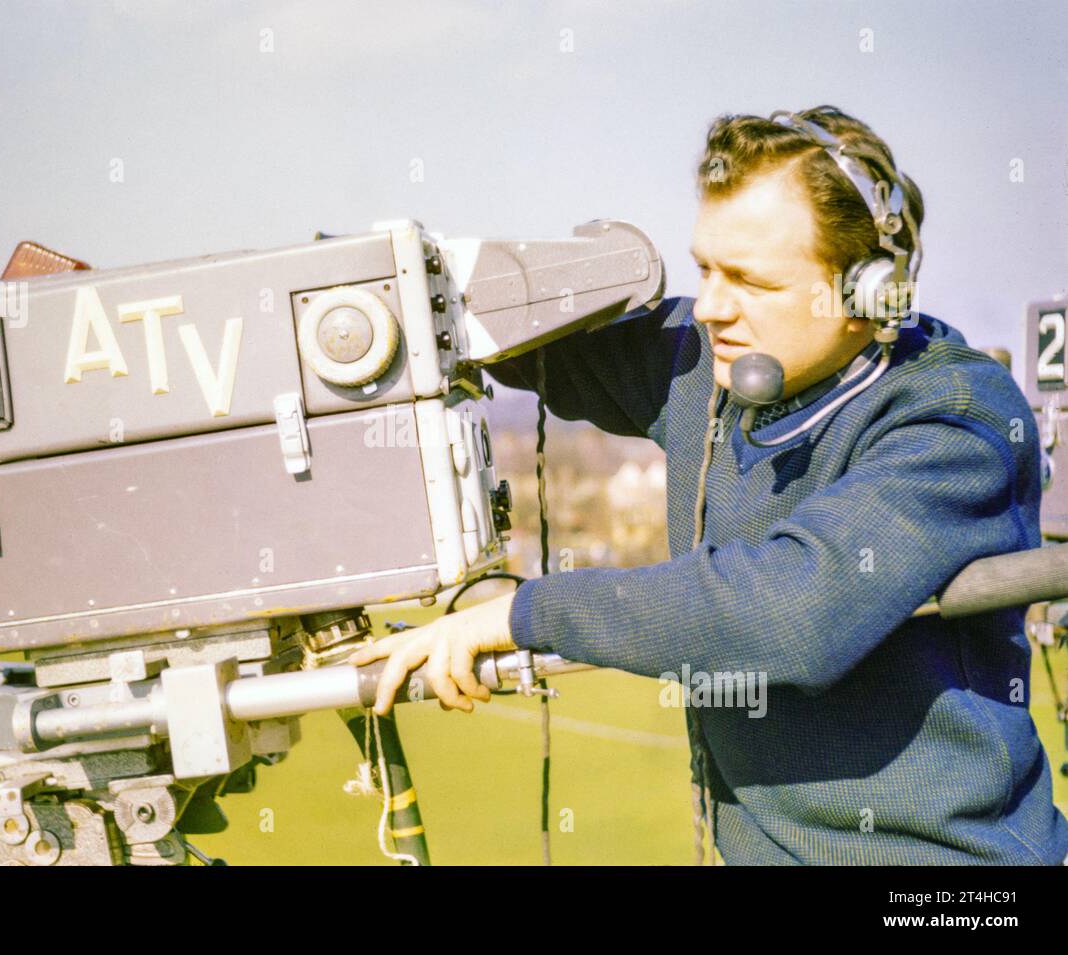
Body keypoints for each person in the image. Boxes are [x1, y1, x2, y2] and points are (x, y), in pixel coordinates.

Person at [348, 106, 1068, 865]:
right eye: (705, 270)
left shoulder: (955, 417)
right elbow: (497, 333)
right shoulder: (710, 362)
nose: (715, 307)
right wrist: (375, 299)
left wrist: (526, 611)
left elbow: (792, 612)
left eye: (752, 280)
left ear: (869, 295)